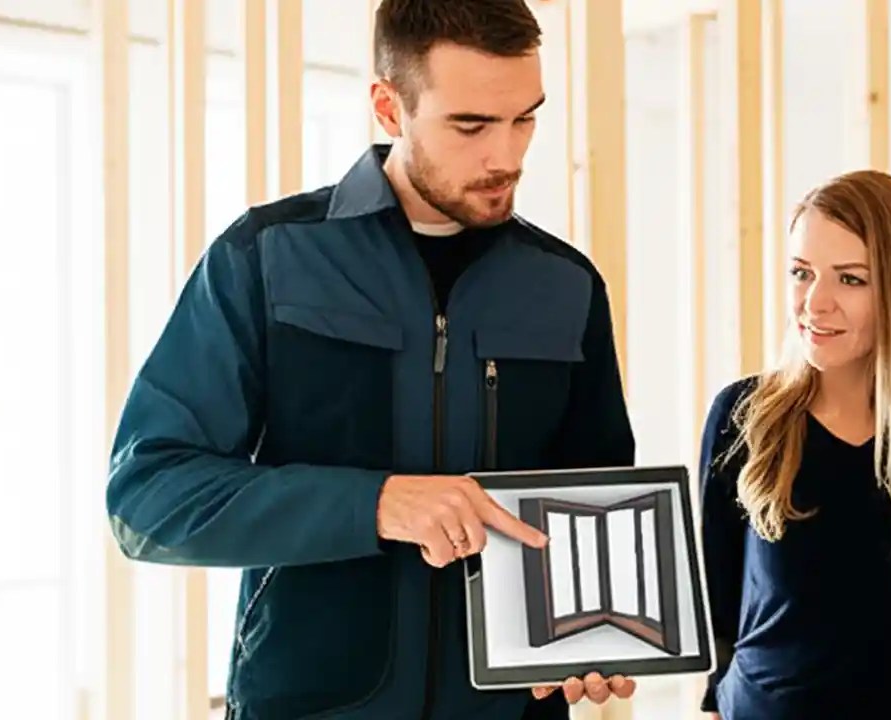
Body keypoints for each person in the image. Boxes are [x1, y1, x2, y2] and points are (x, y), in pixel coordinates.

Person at [105, 1, 637, 718]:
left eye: (525, 118)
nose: (507, 156)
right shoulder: (265, 259)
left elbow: (590, 514)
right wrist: (376, 503)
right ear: (390, 107)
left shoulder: (568, 287)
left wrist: (595, 641)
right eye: (471, 125)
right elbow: (150, 498)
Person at [697, 170, 891, 718]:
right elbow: (716, 619)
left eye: (850, 279)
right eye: (801, 273)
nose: (815, 304)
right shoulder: (743, 415)